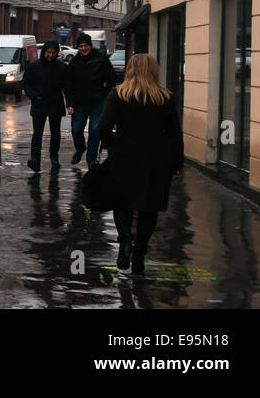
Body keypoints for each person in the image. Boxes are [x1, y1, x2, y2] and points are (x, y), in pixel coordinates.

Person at [98, 53, 183, 276]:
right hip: (158, 157)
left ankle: (125, 241)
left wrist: (111, 144)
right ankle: (139, 255)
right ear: (154, 70)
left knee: (123, 201)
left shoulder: (118, 94)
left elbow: (103, 126)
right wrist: (177, 163)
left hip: (125, 154)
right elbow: (175, 134)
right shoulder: (165, 97)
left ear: (130, 69)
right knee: (150, 206)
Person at [65, 32, 118, 167]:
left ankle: (91, 160)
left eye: (86, 45)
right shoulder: (74, 63)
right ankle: (80, 148)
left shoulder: (102, 59)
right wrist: (70, 103)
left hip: (98, 102)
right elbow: (68, 85)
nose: (83, 48)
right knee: (76, 130)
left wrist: (105, 95)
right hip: (79, 103)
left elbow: (112, 79)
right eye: (81, 46)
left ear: (90, 45)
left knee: (95, 130)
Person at [23, 39, 68, 173]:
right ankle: (35, 159)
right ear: (44, 52)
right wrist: (34, 96)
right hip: (39, 103)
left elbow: (67, 86)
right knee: (37, 133)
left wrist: (70, 104)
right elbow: (25, 83)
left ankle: (54, 157)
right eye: (48, 52)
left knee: (55, 133)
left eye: (54, 53)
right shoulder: (33, 66)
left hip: (56, 103)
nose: (51, 55)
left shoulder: (61, 67)